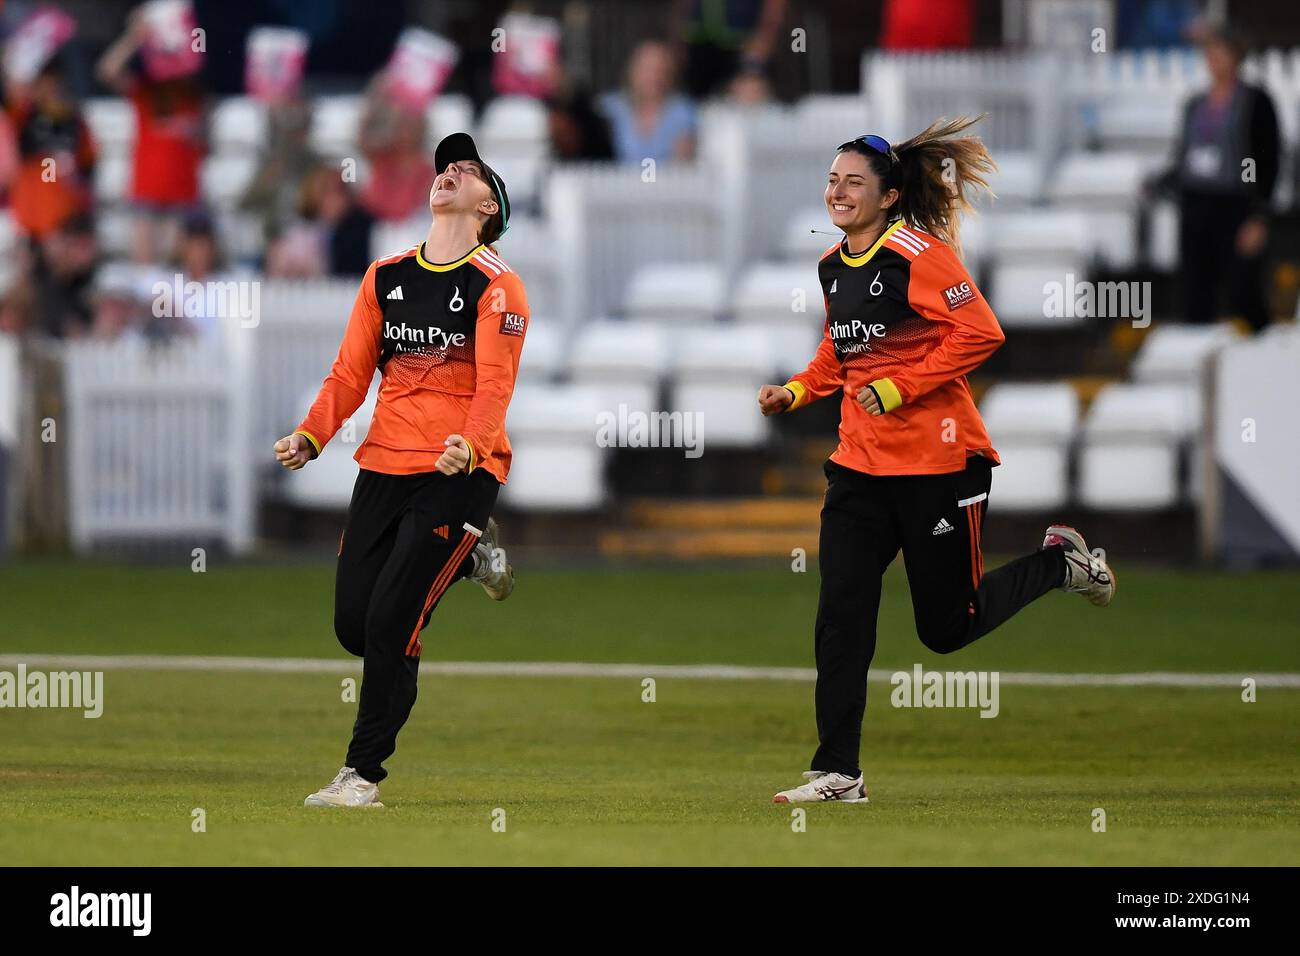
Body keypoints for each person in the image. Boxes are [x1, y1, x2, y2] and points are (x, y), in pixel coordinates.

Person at [756, 120, 1116, 805]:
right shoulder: (833, 265)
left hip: (940, 467)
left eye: (853, 182)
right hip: (859, 468)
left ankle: (1060, 565)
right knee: (840, 614)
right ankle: (839, 772)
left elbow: (981, 331)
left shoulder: (920, 255)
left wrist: (902, 386)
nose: (838, 192)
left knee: (946, 630)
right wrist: (796, 390)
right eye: (832, 180)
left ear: (889, 196)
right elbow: (841, 350)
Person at [275, 133, 527, 809]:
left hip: (459, 473)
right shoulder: (384, 276)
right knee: (353, 626)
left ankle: (361, 777)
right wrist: (310, 434)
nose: (450, 172)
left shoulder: (498, 285)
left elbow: (495, 386)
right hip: (384, 465)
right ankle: (473, 561)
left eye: (468, 171)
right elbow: (349, 373)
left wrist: (470, 446)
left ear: (488, 209)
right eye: (447, 166)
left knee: (393, 623)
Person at [1157, 22, 1279, 330]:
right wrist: (1164, 181)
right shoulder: (1195, 104)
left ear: (1236, 56)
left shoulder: (1254, 101)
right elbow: (1185, 155)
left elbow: (1265, 160)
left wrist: (1258, 214)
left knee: (1243, 291)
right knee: (1196, 293)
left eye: (1219, 51)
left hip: (1235, 205)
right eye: (1209, 52)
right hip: (1198, 205)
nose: (1212, 58)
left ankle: (1256, 349)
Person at [96, 12, 206, 264]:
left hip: (183, 191)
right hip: (148, 187)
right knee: (144, 262)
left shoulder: (194, 95)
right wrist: (134, 38)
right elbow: (106, 71)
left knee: (175, 262)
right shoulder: (145, 92)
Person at [601, 39, 696, 165]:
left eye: (660, 70)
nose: (653, 76)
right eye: (646, 69)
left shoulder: (682, 111)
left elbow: (681, 164)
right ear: (632, 71)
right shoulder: (610, 108)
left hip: (664, 177)